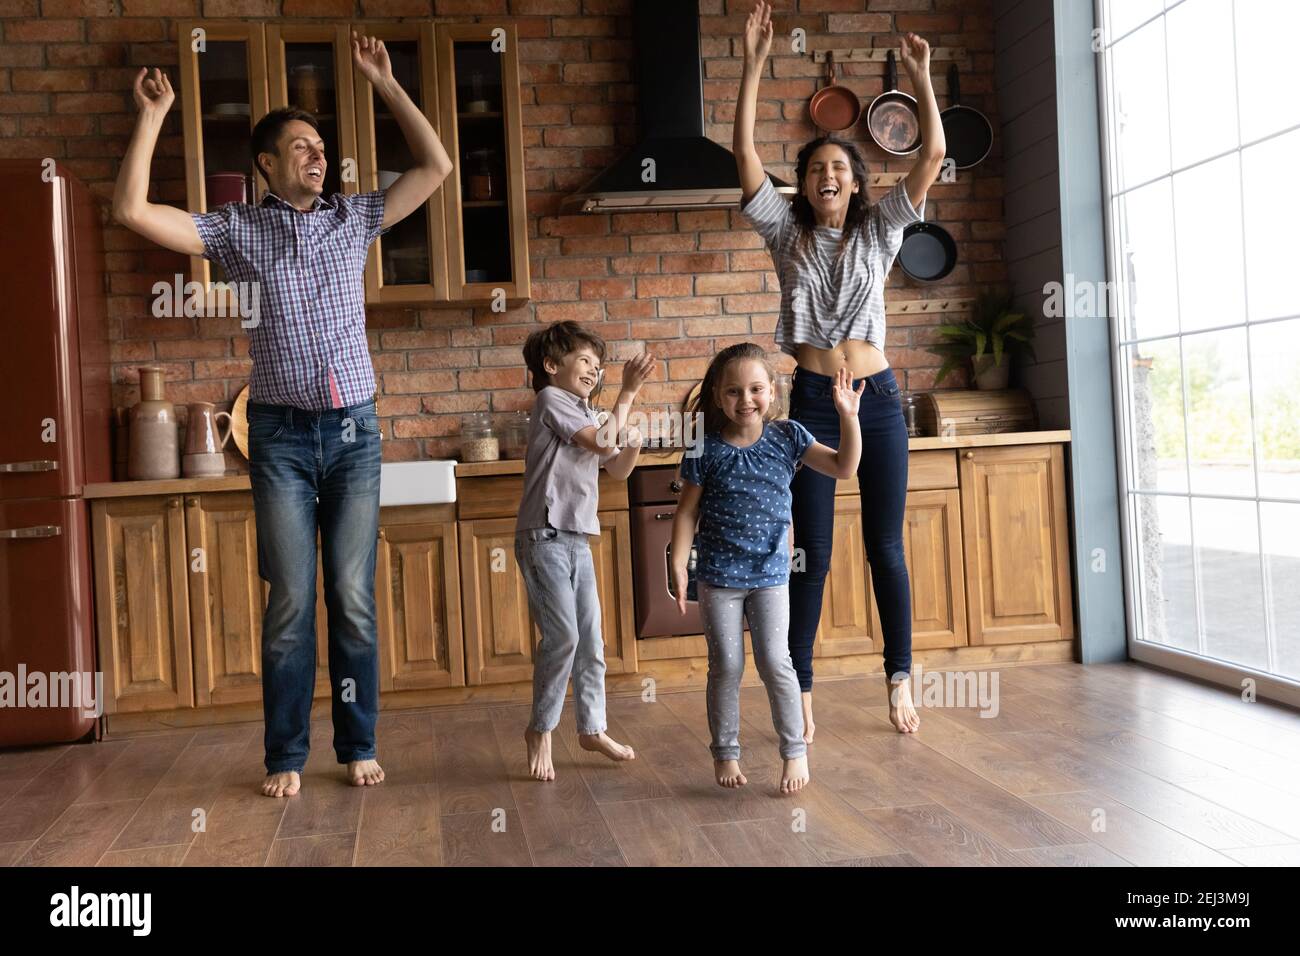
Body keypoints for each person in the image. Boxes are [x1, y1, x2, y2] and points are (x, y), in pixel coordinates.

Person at [112, 33, 454, 797]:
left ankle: (358, 744)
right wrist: (153, 117)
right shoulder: (237, 232)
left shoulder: (354, 218)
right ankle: (285, 757)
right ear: (265, 166)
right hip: (279, 438)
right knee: (292, 601)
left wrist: (389, 85)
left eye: (320, 145)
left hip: (355, 432)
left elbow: (437, 167)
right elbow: (131, 209)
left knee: (355, 599)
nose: (316, 155)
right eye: (299, 146)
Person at [733, 2, 946, 736]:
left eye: (840, 168)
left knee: (885, 544)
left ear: (856, 184)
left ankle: (899, 680)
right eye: (817, 168)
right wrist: (756, 63)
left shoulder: (883, 229)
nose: (828, 174)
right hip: (815, 403)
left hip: (878, 398)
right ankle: (804, 692)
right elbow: (745, 159)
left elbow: (931, 157)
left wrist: (919, 76)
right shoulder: (785, 235)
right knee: (810, 555)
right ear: (806, 185)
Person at [671, 344, 863, 793]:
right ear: (718, 397)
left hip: (771, 576)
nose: (745, 400)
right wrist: (679, 564)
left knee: (777, 662)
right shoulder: (706, 449)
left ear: (771, 392)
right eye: (734, 391)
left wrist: (848, 417)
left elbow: (844, 467)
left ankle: (794, 751)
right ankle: (725, 753)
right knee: (726, 666)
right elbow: (685, 514)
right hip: (718, 577)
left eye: (756, 389)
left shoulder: (788, 437)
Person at [516, 321, 657, 782]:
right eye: (584, 361)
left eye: (599, 365)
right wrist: (628, 393)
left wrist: (631, 443)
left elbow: (614, 468)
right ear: (552, 366)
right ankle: (541, 730)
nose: (594, 371)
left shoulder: (588, 412)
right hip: (544, 535)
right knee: (565, 638)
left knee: (591, 641)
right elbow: (599, 441)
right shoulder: (551, 400)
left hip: (577, 537)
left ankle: (592, 728)